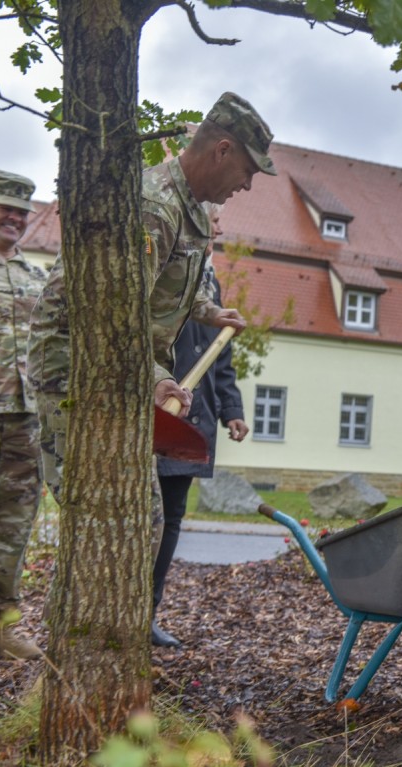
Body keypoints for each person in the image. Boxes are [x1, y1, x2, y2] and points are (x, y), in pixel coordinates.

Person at [27, 92, 273, 641]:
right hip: (72, 364)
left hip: (116, 365)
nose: (248, 186)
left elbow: (162, 287)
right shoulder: (155, 206)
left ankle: (102, 642)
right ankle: (77, 647)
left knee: (139, 518)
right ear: (222, 150)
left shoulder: (186, 210)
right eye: (248, 171)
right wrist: (159, 378)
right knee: (106, 512)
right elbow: (114, 314)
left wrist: (208, 311)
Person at [151, 205, 249, 648]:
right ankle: (122, 609)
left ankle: (147, 613)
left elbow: (221, 357)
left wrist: (233, 409)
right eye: (215, 216)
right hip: (158, 410)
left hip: (196, 418)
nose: (222, 225)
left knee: (172, 519)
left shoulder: (210, 279)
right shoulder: (167, 264)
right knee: (144, 520)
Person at [0, 171, 48, 660]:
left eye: (21, 212)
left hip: (24, 418)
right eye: (5, 207)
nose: (14, 217)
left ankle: (3, 626)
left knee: (13, 525)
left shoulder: (37, 278)